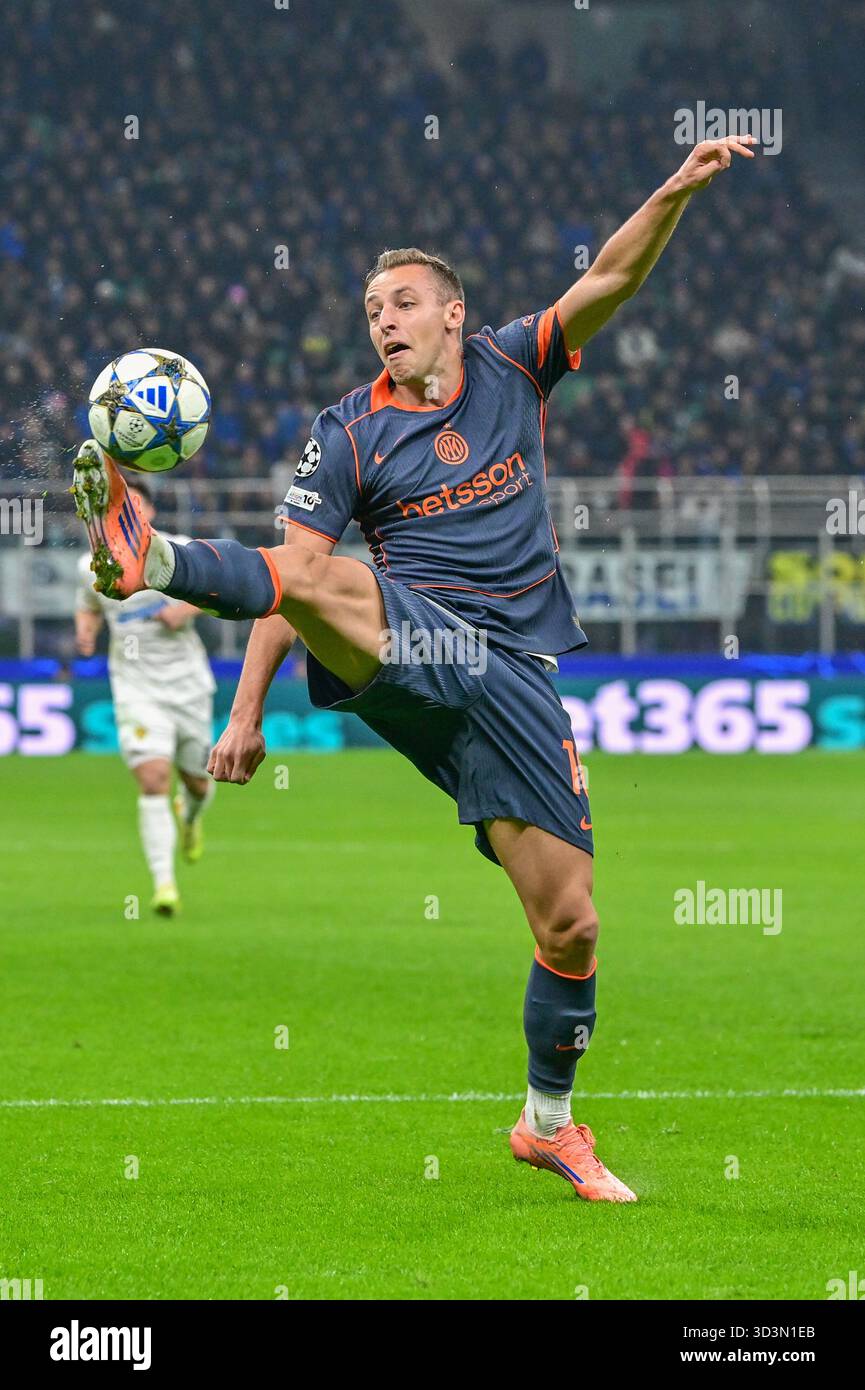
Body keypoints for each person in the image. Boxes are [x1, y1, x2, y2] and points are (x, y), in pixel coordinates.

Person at [71, 134, 755, 1198]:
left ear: (451, 312)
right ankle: (150, 552)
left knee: (569, 922)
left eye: (398, 303)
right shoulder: (346, 433)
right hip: (420, 644)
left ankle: (548, 1122)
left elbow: (610, 274)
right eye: (368, 311)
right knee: (325, 568)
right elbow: (297, 578)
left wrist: (670, 187)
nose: (381, 321)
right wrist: (245, 708)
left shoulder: (513, 361)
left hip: (519, 676)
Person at [74, 479, 216, 916]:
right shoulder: (95, 564)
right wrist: (86, 629)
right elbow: (89, 602)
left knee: (197, 781)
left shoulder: (180, 551)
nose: (128, 511)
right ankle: (164, 884)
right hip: (136, 688)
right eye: (122, 504)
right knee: (153, 778)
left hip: (188, 684)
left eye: (136, 504)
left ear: (150, 512)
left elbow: (217, 592)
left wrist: (185, 608)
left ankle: (190, 817)